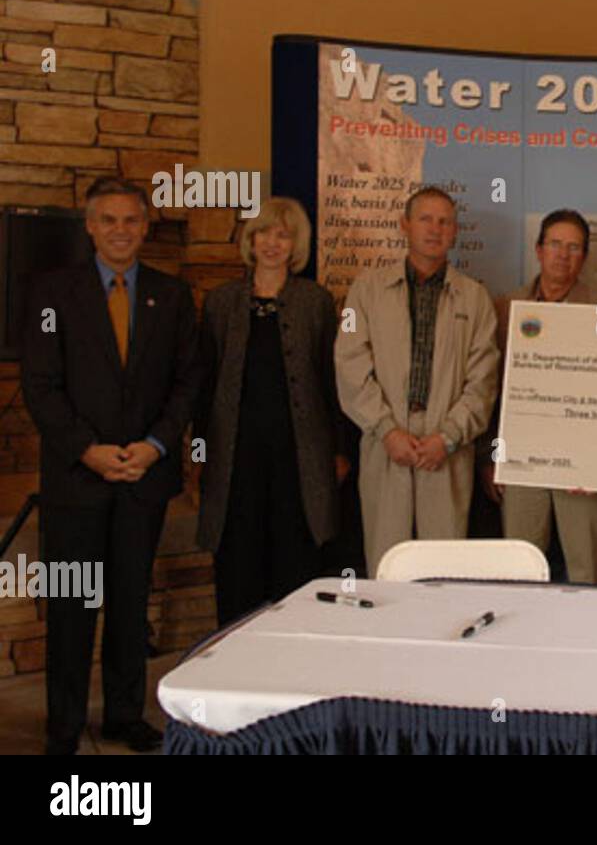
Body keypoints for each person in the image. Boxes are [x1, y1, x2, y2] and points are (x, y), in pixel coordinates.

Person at [21, 177, 201, 754]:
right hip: (77, 479)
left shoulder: (172, 296)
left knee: (129, 603)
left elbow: (186, 385)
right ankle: (64, 726)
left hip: (144, 477)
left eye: (131, 220)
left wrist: (155, 446)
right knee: (73, 608)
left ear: (144, 227)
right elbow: (41, 387)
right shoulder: (51, 295)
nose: (121, 230)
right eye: (109, 220)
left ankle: (125, 714)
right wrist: (88, 450)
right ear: (90, 226)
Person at [197, 197, 349, 625]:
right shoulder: (222, 302)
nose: (272, 243)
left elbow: (330, 382)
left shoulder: (315, 301)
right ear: (250, 239)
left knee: (295, 558)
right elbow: (204, 383)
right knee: (238, 558)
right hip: (236, 457)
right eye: (264, 232)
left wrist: (338, 451)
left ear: (296, 244)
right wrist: (199, 454)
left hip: (299, 458)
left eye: (283, 234)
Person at [335, 185, 499, 575]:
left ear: (456, 232)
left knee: (443, 571)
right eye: (425, 218)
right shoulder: (366, 291)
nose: (435, 229)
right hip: (385, 440)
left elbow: (484, 382)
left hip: (446, 445)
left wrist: (448, 436)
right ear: (404, 225)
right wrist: (386, 429)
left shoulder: (475, 298)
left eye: (445, 221)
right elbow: (349, 362)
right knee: (387, 565)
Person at [479, 210, 597, 584]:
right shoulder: (505, 307)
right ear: (538, 249)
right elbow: (489, 387)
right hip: (522, 460)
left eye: (574, 247)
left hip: (583, 466)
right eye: (555, 244)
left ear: (584, 257)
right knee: (521, 567)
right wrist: (492, 455)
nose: (563, 254)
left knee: (587, 570)